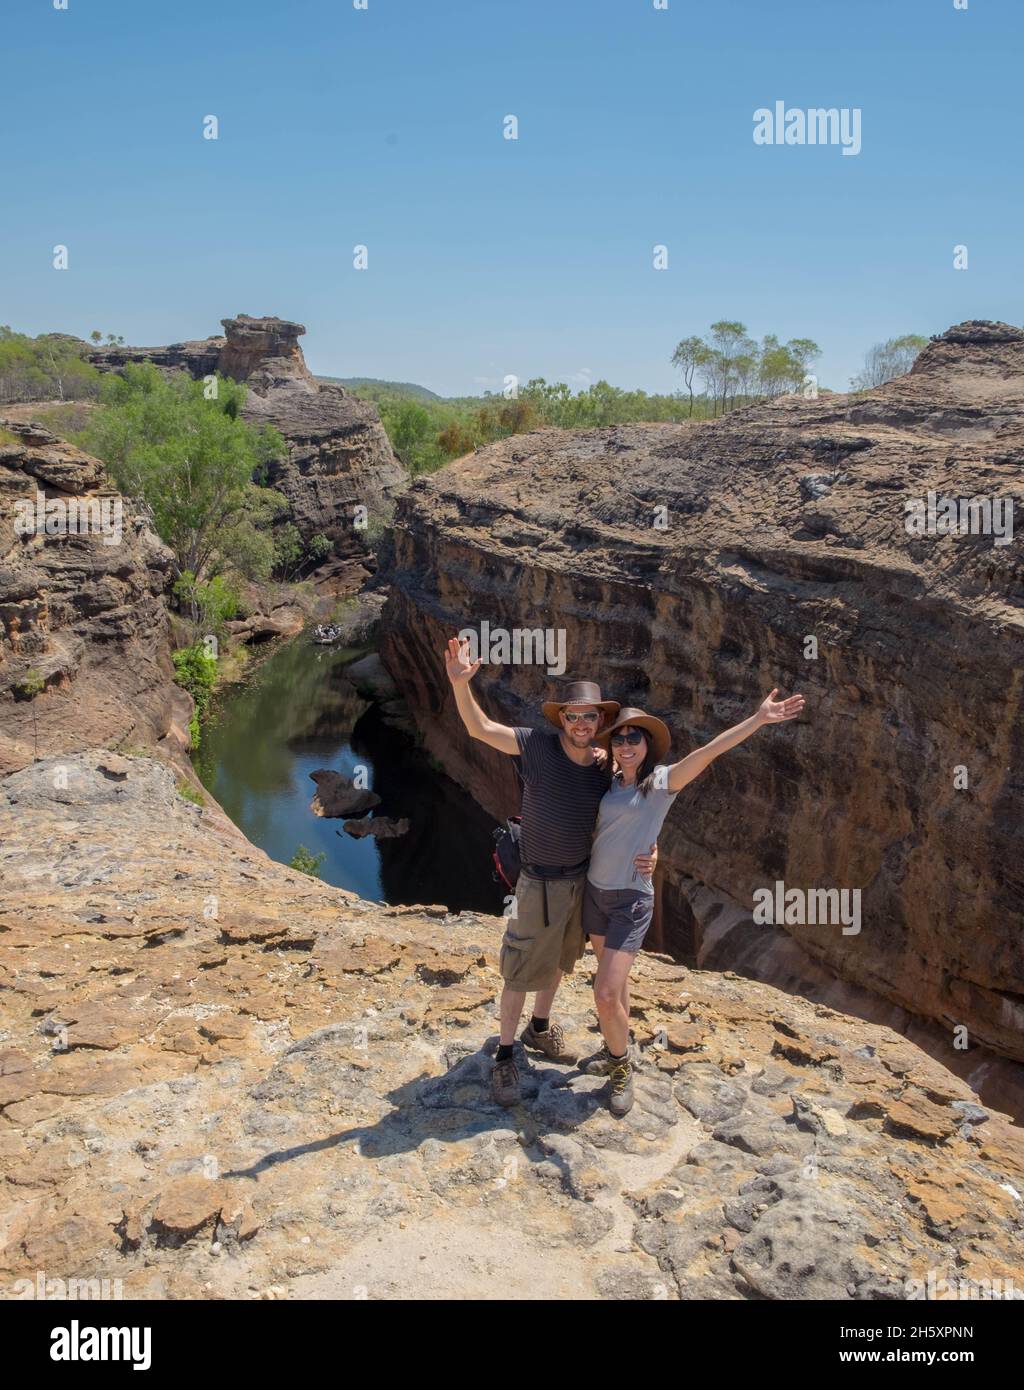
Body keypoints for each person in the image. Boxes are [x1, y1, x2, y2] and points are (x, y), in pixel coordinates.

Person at [443, 637, 655, 1106]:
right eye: (572, 716)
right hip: (537, 880)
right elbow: (479, 729)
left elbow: (629, 814)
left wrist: (652, 850)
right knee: (520, 970)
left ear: (600, 722)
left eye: (589, 717)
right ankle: (503, 1057)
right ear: (562, 719)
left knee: (560, 960)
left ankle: (539, 1028)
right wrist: (461, 685)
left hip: (581, 882)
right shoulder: (535, 745)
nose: (580, 724)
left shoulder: (605, 767)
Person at [582, 689, 805, 1117]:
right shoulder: (609, 781)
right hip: (596, 893)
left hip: (631, 898)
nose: (626, 743)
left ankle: (621, 1066)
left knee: (605, 993)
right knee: (618, 989)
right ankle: (618, 1047)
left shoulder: (660, 783)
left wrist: (758, 719)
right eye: (620, 738)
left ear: (648, 746)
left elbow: (709, 752)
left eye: (635, 738)